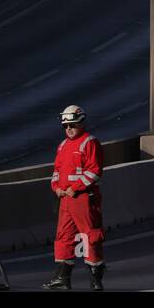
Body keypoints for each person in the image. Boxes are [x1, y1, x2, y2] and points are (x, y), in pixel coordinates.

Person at [43, 105, 105, 290]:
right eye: (66, 126)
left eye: (73, 125)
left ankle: (95, 280)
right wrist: (56, 188)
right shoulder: (62, 146)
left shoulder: (90, 142)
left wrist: (75, 188)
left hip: (84, 199)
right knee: (64, 237)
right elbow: (56, 171)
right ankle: (62, 278)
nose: (69, 129)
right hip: (65, 200)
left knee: (90, 237)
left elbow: (95, 171)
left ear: (81, 123)